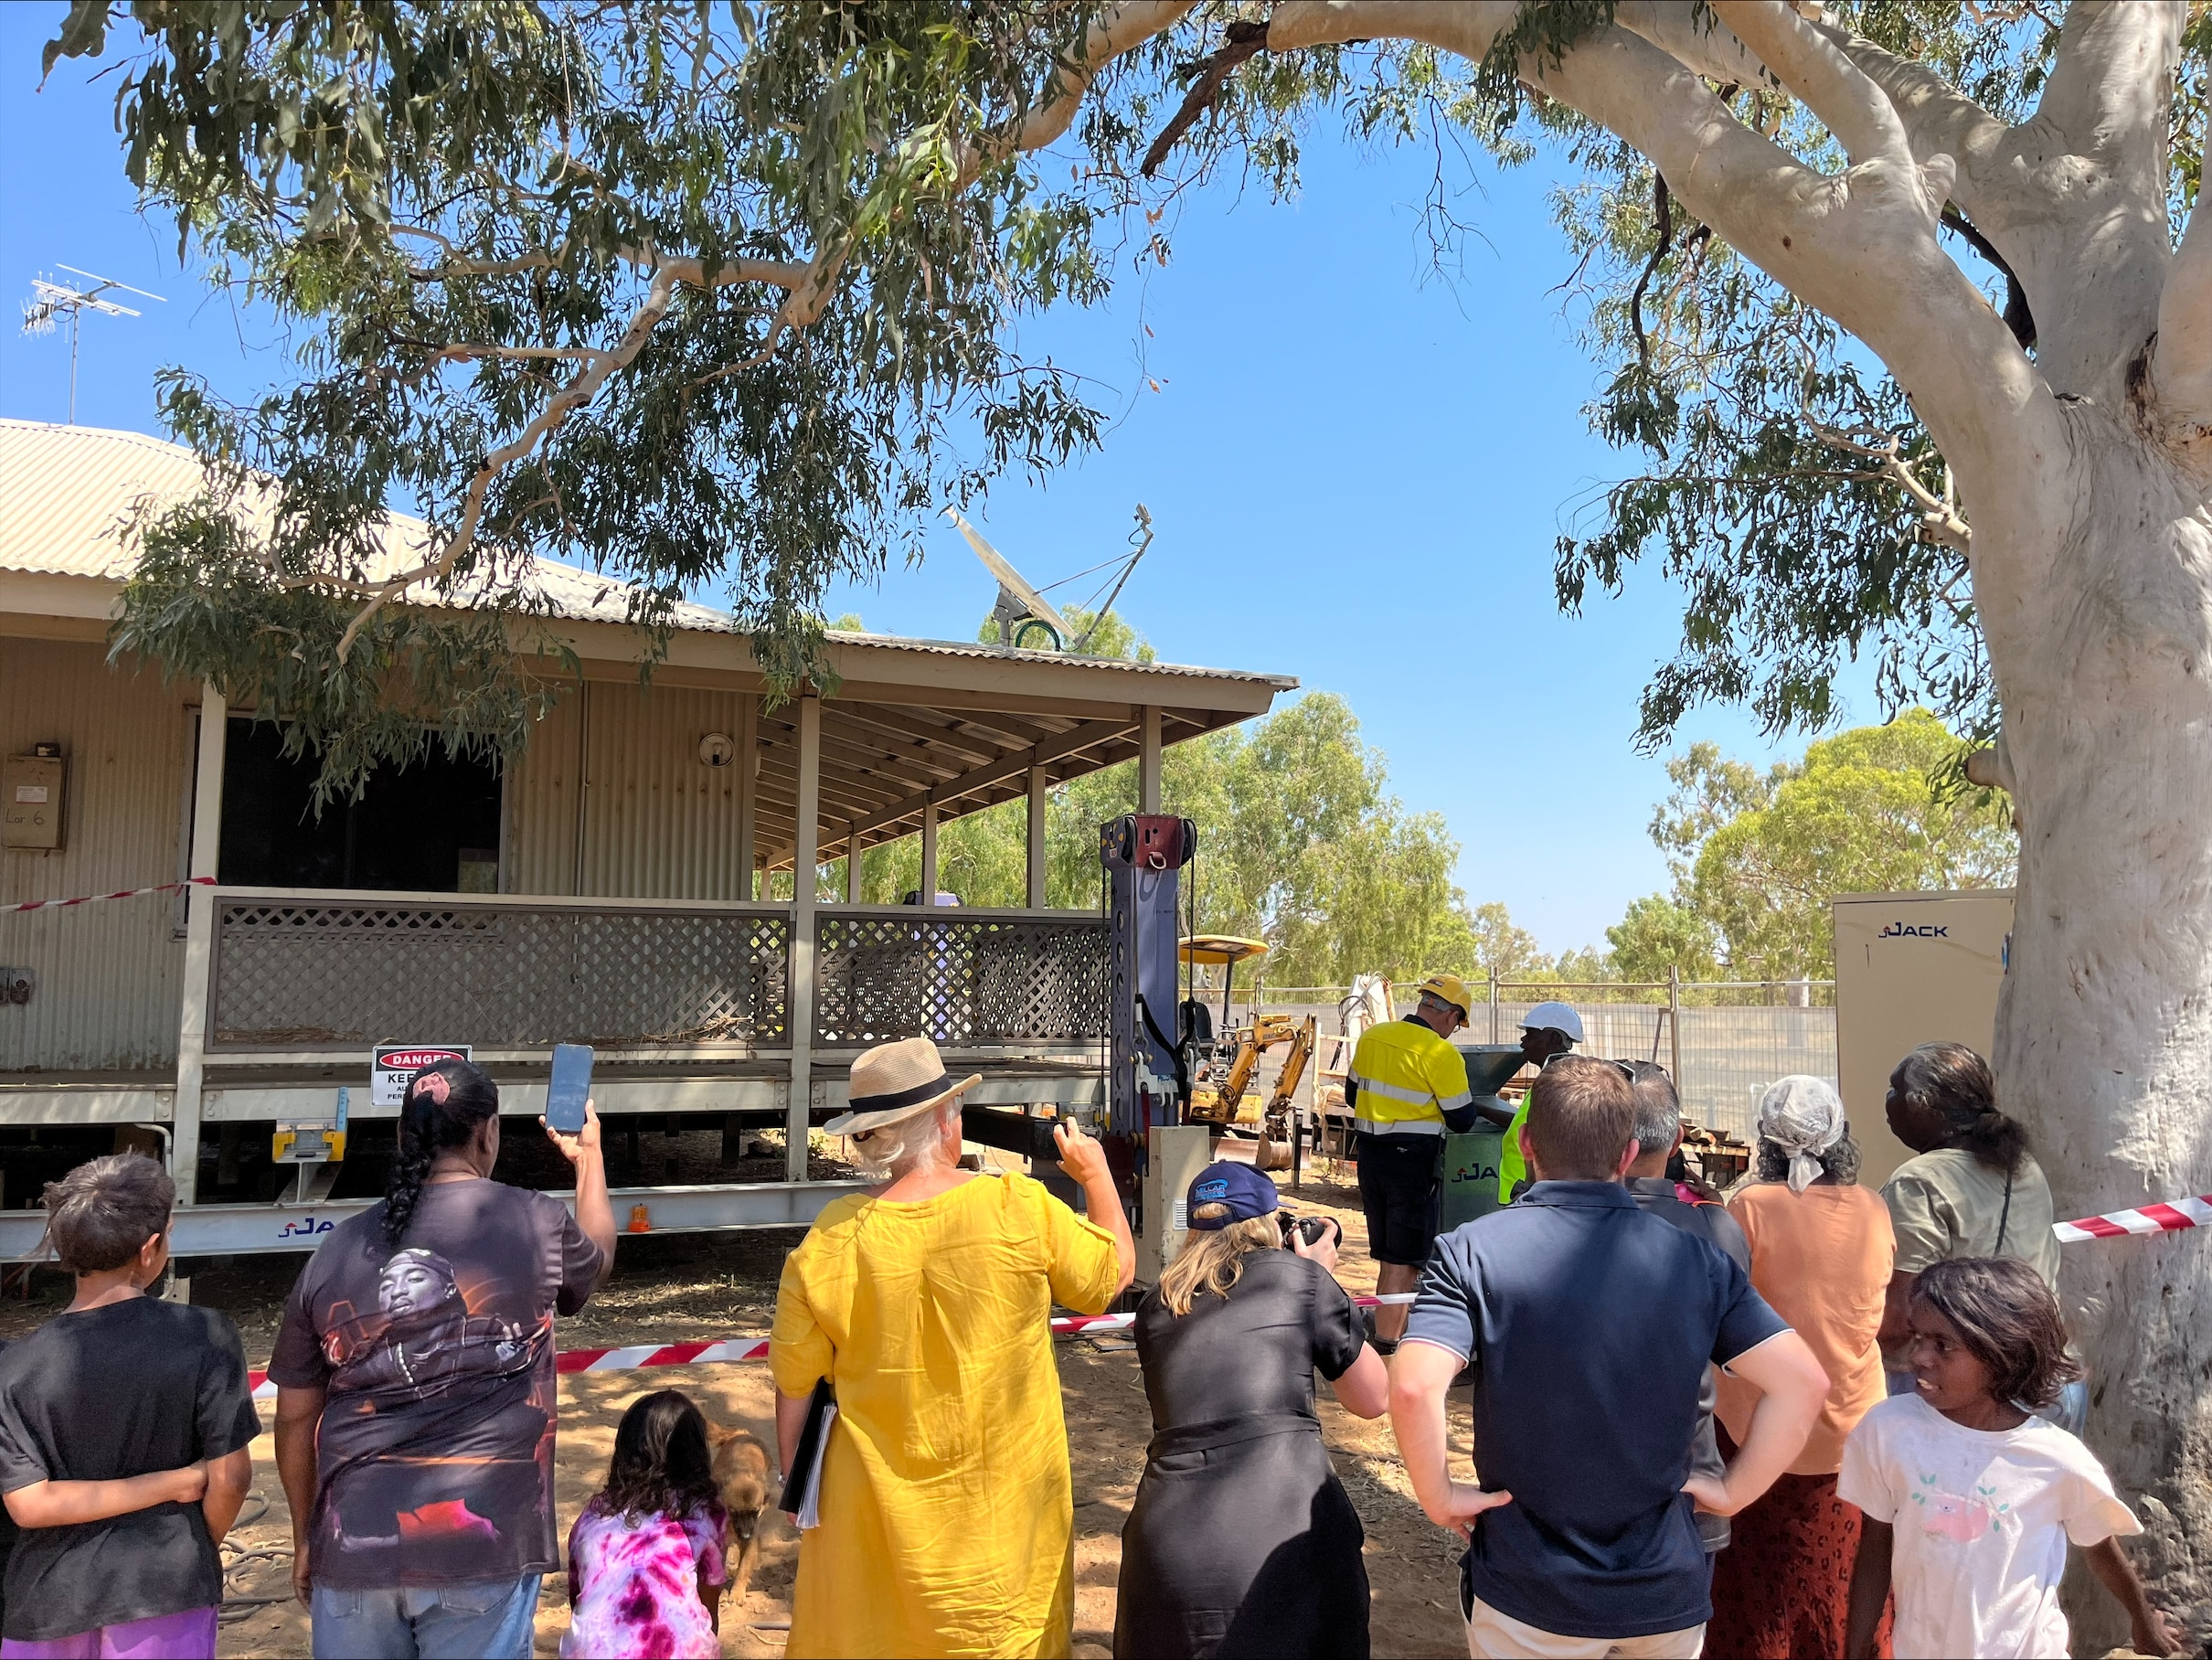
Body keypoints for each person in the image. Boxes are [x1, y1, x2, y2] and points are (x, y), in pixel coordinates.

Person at [1392, 1055, 1831, 1660]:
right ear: (1629, 1154)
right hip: (1663, 1593)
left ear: (1526, 1143)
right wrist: (1734, 1491)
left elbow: (1414, 1386)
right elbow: (1803, 1383)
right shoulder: (1698, 1258)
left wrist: (1437, 1495)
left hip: (1529, 1591)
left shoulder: (1469, 1252)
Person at [769, 1036, 1135, 1658]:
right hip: (1004, 1536)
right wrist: (1096, 1174)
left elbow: (794, 1389)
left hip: (870, 1530)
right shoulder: (1015, 1205)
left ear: (874, 1137)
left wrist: (793, 1483)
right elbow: (1111, 1278)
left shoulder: (828, 1241)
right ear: (946, 1122)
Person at [268, 1058, 616, 1659]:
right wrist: (588, 1161)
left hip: (354, 1546)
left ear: (405, 1137)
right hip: (482, 1546)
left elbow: (296, 1417)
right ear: (489, 1132)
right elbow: (599, 1258)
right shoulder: (535, 1221)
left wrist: (308, 1537)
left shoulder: (337, 1248)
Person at [1841, 1258, 2182, 1660]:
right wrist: (1856, 1650)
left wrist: (2142, 1621)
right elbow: (1875, 1549)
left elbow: (2100, 1549)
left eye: (1943, 1346)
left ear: (2001, 1355)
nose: (1919, 1357)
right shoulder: (1888, 1430)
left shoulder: (2056, 1459)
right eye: (1918, 1338)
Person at [1114, 1162, 1388, 1659]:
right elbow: (1372, 1398)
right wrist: (1322, 1282)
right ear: (1268, 1224)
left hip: (1166, 1543)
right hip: (1283, 1528)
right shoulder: (1301, 1280)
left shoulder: (1157, 1306)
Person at [0, 1154, 259, 1660]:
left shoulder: (15, 1364)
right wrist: (190, 1531)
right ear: (150, 1249)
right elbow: (231, 1480)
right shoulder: (205, 1335)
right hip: (166, 1588)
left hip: (44, 1602)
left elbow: (30, 1506)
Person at [1709, 1077, 1897, 1660]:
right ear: (1840, 1135)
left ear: (1765, 1141)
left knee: (1757, 1581)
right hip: (1854, 1423)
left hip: (1757, 1426)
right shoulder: (1872, 1206)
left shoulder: (1750, 1208)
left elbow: (1721, 1309)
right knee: (1844, 1573)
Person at [1876, 1045, 2065, 1416]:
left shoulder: (1918, 1181)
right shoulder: (2025, 1167)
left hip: (1958, 1394)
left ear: (1923, 1106)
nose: (1888, 1100)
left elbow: (1898, 1319)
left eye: (1896, 1089)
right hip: (2044, 1380)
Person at [1620, 1061, 1749, 1564]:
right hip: (1684, 1486)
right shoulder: (1715, 1230)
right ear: (1676, 1141)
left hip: (1566, 1495)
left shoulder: (1532, 1229)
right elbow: (1748, 1361)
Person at [1344, 972, 1480, 1348]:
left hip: (1370, 1160)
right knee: (1403, 1261)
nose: (1454, 1031)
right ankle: (1388, 1344)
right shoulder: (1440, 1053)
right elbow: (1463, 1119)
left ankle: (1384, 1331)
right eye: (1457, 1022)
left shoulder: (1373, 1037)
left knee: (1389, 1256)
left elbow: (1353, 1094)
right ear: (1450, 1015)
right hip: (1412, 1167)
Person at [562, 1389, 728, 1660]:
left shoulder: (593, 1515)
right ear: (696, 1452)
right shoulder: (705, 1512)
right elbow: (709, 1605)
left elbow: (579, 1597)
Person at [1494, 1000, 1584, 1204]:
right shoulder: (1550, 1078)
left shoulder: (1558, 1083)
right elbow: (1525, 1124)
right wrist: (1482, 1110)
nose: (1523, 1041)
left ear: (1553, 1038)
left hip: (1530, 1194)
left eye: (1532, 1034)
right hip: (1523, 1192)